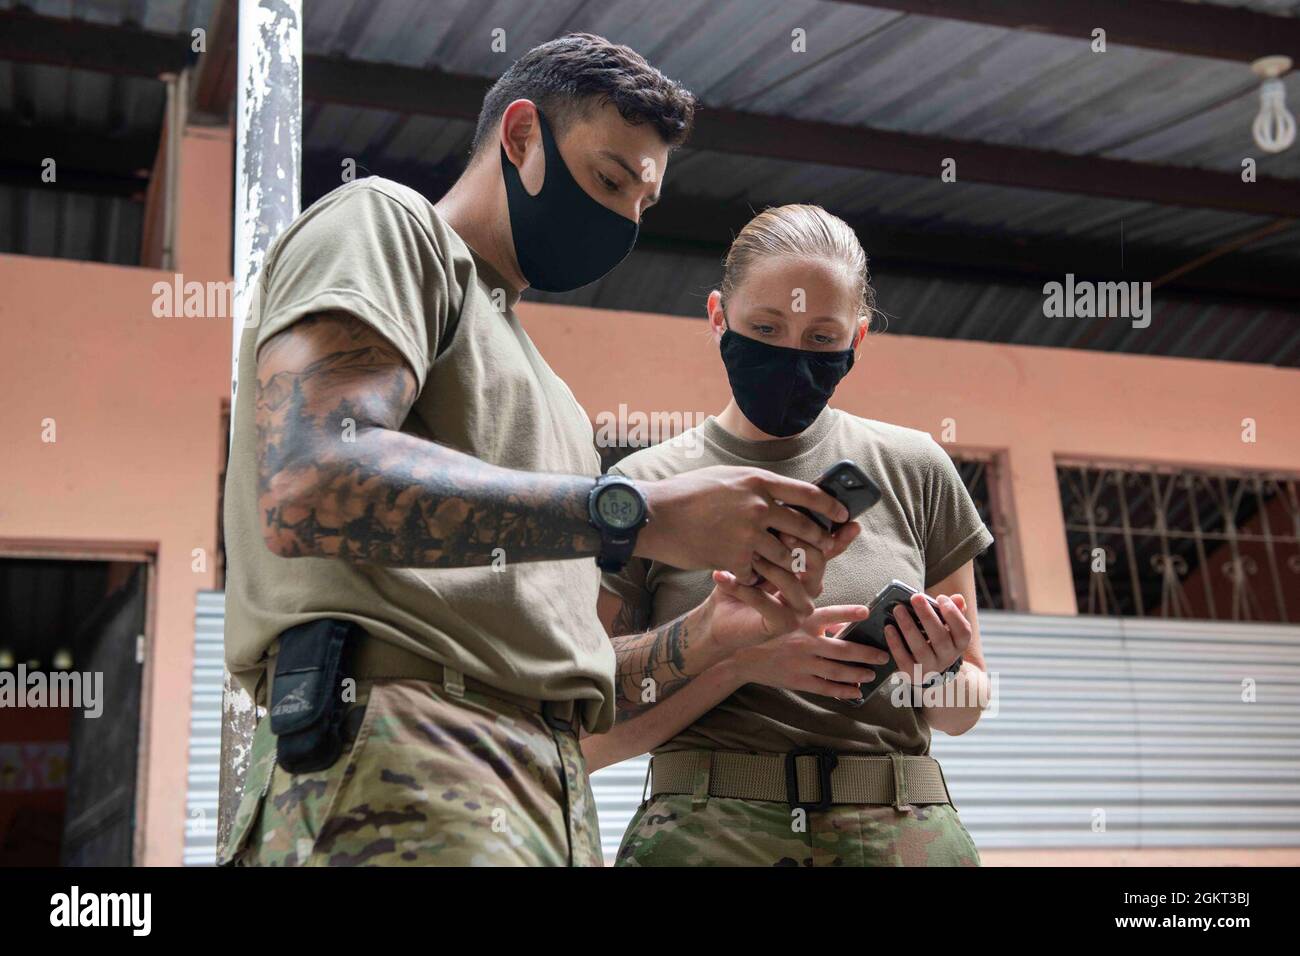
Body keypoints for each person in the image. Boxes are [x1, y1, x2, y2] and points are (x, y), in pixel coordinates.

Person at [218, 37, 853, 867]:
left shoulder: (555, 399)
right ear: (521, 138)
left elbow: (568, 679)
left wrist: (710, 635)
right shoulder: (387, 225)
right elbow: (310, 481)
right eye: (609, 179)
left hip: (546, 794)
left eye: (644, 202)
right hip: (398, 759)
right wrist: (635, 515)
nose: (625, 218)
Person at [588, 204, 995, 867]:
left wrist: (936, 671)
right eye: (766, 327)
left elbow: (964, 706)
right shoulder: (646, 489)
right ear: (719, 317)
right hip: (708, 835)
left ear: (857, 340)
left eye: (821, 337)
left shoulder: (916, 468)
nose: (791, 354)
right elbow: (588, 732)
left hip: (902, 832)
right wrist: (735, 661)